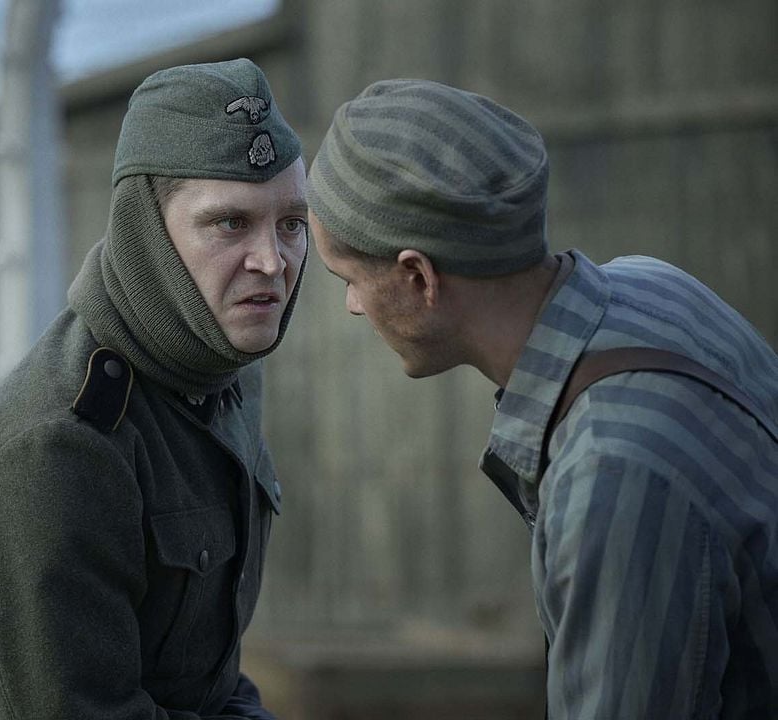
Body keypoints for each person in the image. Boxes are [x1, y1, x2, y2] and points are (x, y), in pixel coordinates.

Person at [306, 79, 778, 718]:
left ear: (419, 276)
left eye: (351, 279)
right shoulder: (654, 283)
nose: (352, 305)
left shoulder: (611, 469)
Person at [0, 58, 307, 720]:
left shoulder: (219, 379)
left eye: (290, 224)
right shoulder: (61, 444)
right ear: (146, 232)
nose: (271, 261)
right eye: (231, 223)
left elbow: (209, 683)